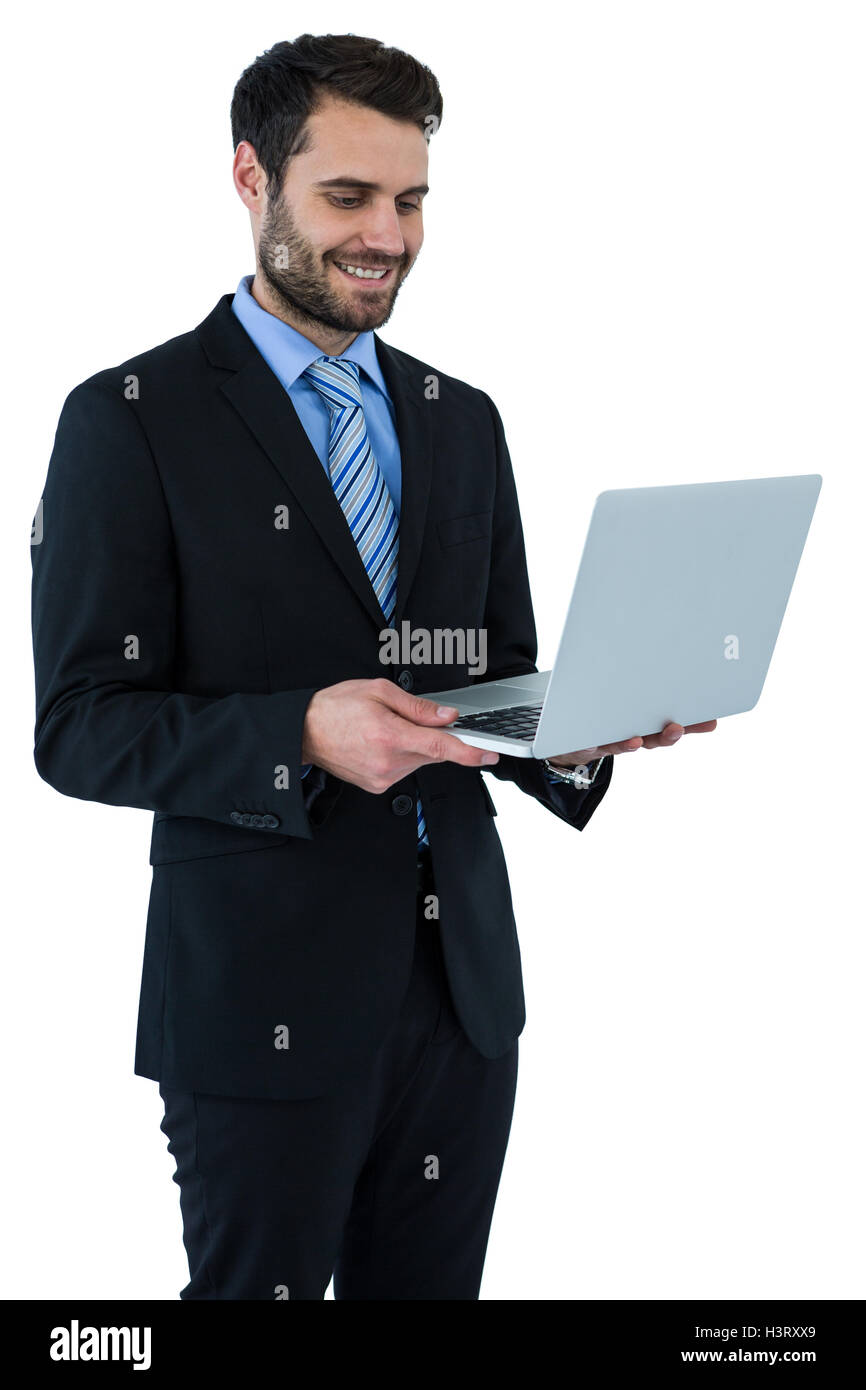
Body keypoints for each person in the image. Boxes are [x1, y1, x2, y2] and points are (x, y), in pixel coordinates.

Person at [30, 33, 715, 1300]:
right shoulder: (131, 420)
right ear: (251, 180)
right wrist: (301, 730)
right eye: (346, 198)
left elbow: (487, 672)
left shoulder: (462, 419)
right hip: (256, 998)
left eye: (409, 202)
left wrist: (572, 732)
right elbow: (80, 724)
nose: (386, 237)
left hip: (457, 1003)